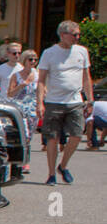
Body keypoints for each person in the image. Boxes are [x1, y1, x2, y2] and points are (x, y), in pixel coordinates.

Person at [36, 20, 94, 184]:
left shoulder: (82, 52)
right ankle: (51, 174)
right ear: (63, 35)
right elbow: (41, 80)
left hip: (75, 101)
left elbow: (86, 77)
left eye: (78, 34)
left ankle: (64, 165)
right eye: (74, 34)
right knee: (52, 138)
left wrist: (90, 100)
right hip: (54, 101)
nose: (78, 37)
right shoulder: (49, 53)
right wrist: (39, 103)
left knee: (76, 135)